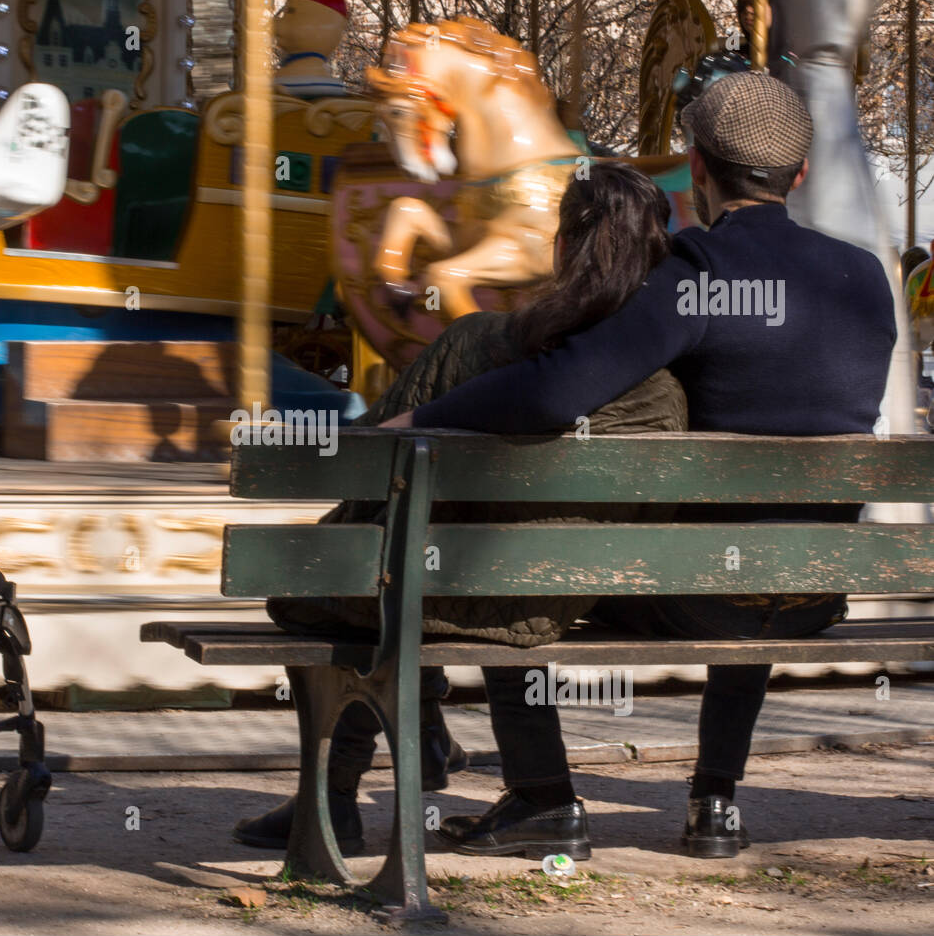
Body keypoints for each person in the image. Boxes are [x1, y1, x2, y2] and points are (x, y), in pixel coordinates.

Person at [382, 72, 896, 859]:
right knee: (763, 548)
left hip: (691, 592)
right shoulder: (865, 279)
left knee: (516, 573)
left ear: (697, 169)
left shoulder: (697, 272)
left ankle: (543, 797)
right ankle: (715, 801)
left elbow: (556, 392)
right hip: (813, 589)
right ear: (800, 175)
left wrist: (421, 416)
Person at [232, 164, 689, 854]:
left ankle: (333, 797)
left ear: (564, 247)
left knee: (322, 579)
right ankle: (537, 794)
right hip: (568, 593)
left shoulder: (482, 344)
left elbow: (361, 461)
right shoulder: (667, 394)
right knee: (496, 571)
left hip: (464, 584)